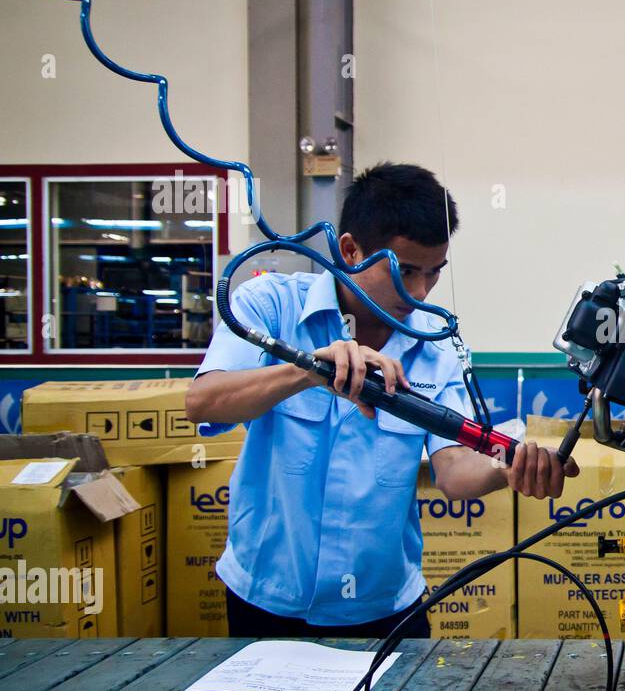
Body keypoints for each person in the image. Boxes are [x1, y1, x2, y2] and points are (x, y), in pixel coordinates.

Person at [186, 162, 577, 639]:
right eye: (405, 270)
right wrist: (308, 370)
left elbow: (453, 469)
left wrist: (506, 467)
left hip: (385, 609)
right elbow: (203, 402)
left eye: (434, 273)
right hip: (265, 600)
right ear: (350, 250)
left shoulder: (436, 345)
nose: (419, 293)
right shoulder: (271, 305)